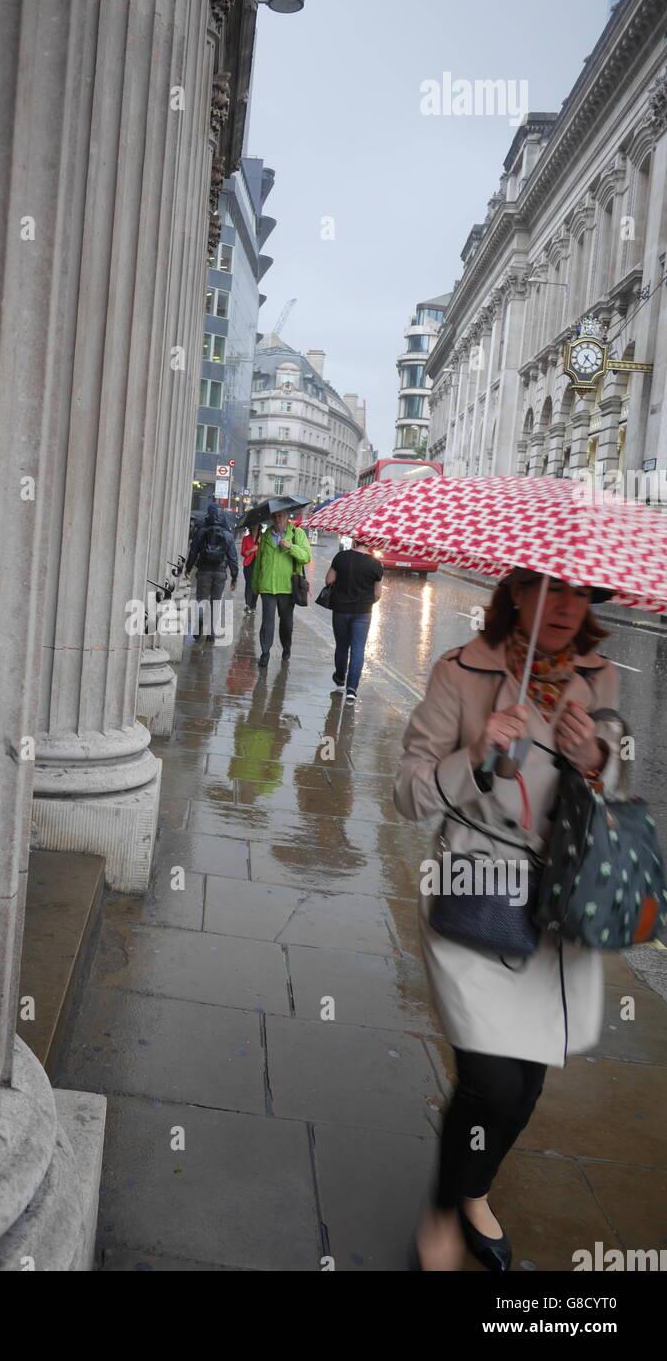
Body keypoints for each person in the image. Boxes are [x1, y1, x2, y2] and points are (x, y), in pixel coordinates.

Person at [394, 570, 622, 1272]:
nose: (565, 608)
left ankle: (475, 1191)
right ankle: (441, 1208)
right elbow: (406, 792)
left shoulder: (600, 675)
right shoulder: (460, 671)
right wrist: (476, 753)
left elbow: (612, 784)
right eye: (550, 591)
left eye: (580, 595)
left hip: (558, 900)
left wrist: (594, 762)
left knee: (526, 1084)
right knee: (489, 1081)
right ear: (516, 595)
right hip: (476, 886)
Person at [323, 536, 383, 702]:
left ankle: (340, 678)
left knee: (342, 645)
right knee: (358, 648)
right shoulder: (375, 564)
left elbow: (329, 580)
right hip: (363, 612)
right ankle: (352, 689)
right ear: (369, 544)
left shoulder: (341, 557)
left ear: (354, 542)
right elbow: (377, 593)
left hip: (341, 610)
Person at [250, 509, 311, 666]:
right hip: (267, 586)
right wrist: (255, 584)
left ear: (286, 518)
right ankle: (265, 652)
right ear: (271, 518)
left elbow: (306, 557)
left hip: (287, 587)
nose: (278, 519)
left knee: (286, 622)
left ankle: (286, 647)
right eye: (275, 516)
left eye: (281, 516)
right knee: (267, 621)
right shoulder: (265, 537)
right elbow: (258, 563)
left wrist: (291, 547)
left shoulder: (297, 534)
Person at [185, 502, 238, 640]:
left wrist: (188, 568)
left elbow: (193, 551)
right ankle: (212, 633)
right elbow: (233, 558)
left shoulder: (202, 530)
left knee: (202, 600)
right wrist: (234, 576)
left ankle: (199, 626)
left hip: (204, 571)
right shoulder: (228, 534)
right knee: (216, 602)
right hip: (220, 572)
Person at [240, 526, 260, 612]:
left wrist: (260, 544)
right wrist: (252, 549)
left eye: (256, 528)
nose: (254, 530)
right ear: (250, 529)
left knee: (256, 586)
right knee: (249, 584)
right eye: (253, 528)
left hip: (259, 566)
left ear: (259, 528)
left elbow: (266, 553)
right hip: (248, 565)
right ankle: (248, 604)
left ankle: (253, 605)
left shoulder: (263, 539)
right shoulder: (246, 539)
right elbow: (243, 553)